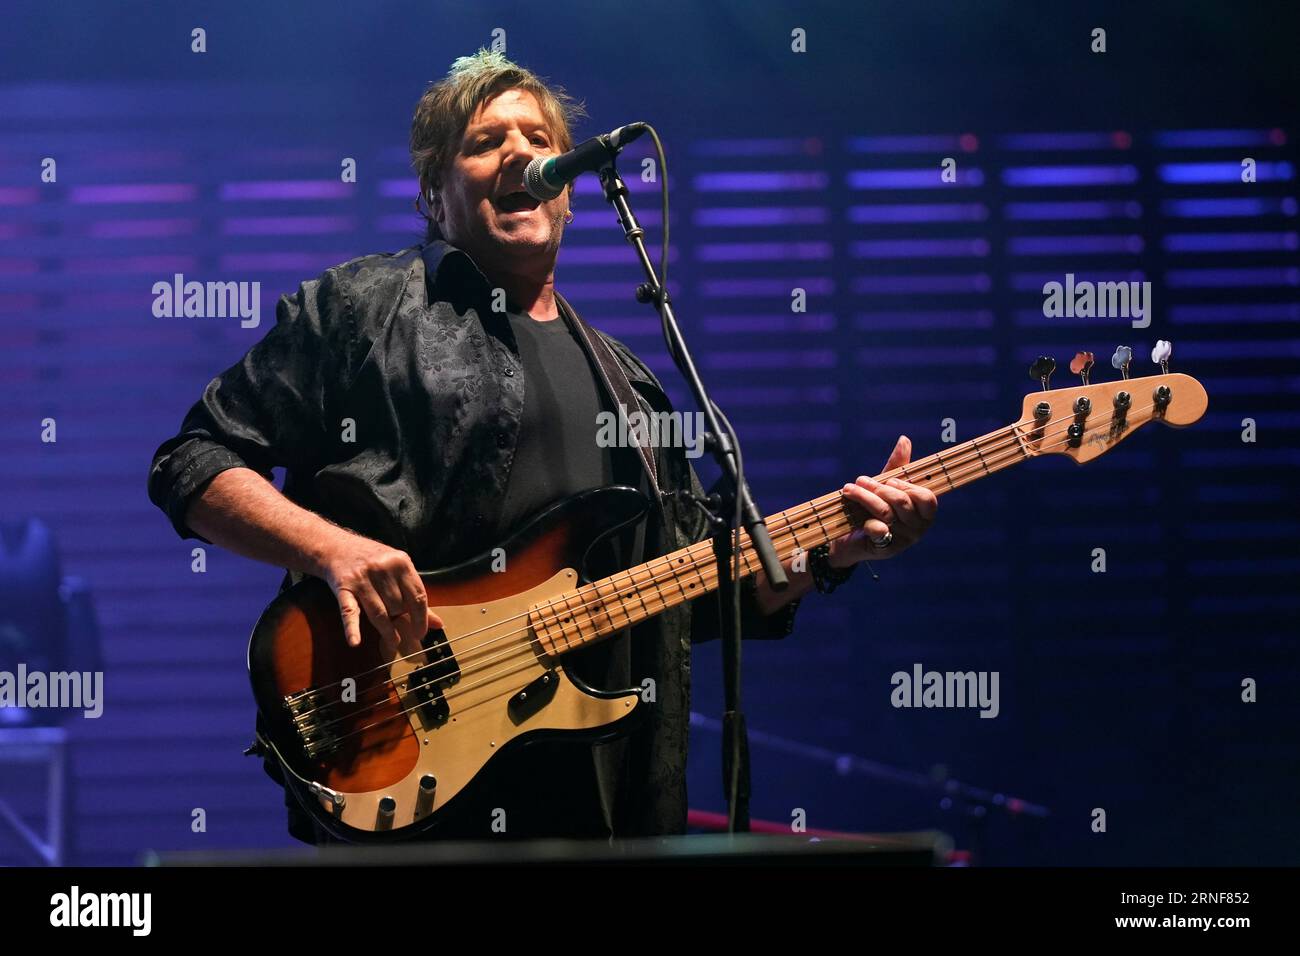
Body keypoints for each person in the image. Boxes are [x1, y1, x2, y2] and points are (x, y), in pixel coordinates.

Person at [146, 49, 937, 844]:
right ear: (433, 190)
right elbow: (194, 461)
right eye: (486, 141)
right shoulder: (359, 309)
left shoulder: (630, 383)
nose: (520, 153)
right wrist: (331, 549)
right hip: (402, 762)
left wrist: (830, 553)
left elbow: (696, 595)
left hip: (602, 808)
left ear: (567, 197)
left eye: (535, 136)